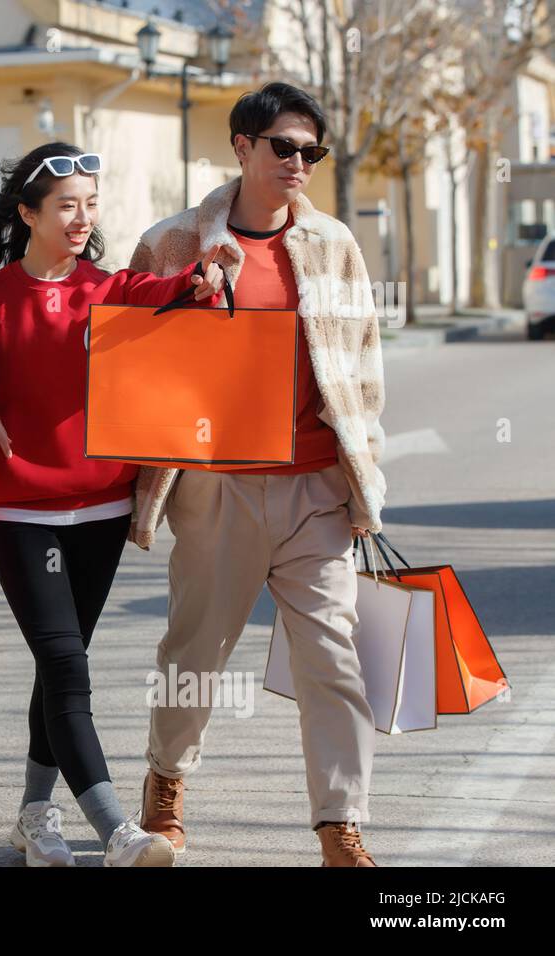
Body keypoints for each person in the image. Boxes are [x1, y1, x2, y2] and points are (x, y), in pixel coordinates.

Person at [127, 82, 387, 866]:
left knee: (333, 659)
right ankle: (167, 781)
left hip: (315, 487)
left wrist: (363, 473)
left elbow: (363, 365)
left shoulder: (334, 244)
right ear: (242, 147)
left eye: (312, 151)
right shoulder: (173, 241)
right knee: (194, 654)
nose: (299, 162)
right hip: (217, 485)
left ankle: (340, 825)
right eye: (284, 146)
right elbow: (131, 354)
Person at [0, 142, 223, 866]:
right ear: (28, 213)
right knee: (68, 668)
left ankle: (34, 815)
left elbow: (162, 291)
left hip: (101, 510)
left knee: (59, 667)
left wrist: (201, 279)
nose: (82, 218)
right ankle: (117, 832)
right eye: (67, 206)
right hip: (21, 512)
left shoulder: (110, 289)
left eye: (91, 205)